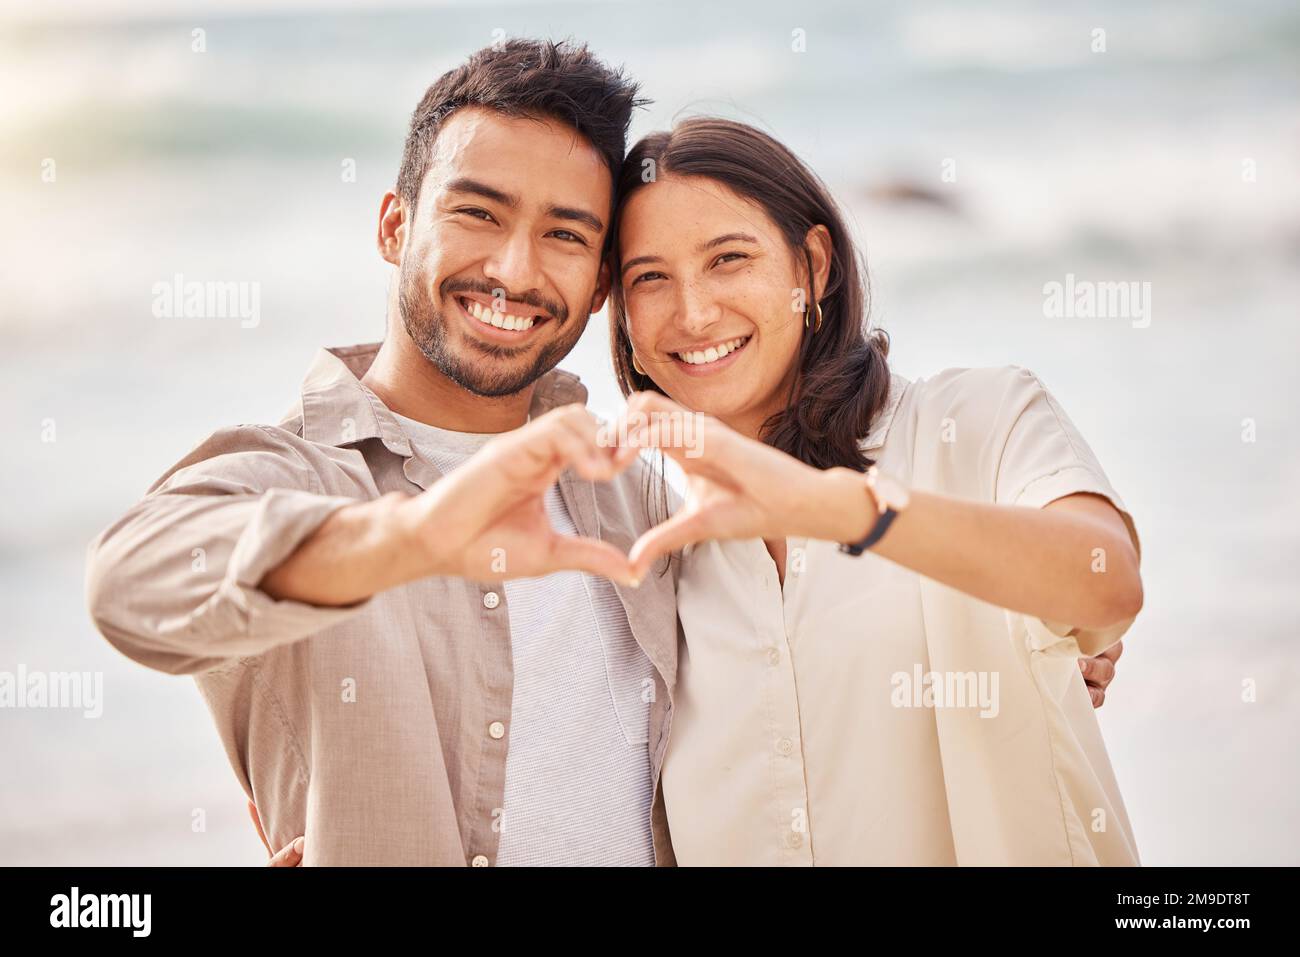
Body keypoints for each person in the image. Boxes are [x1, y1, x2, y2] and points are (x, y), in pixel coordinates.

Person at [85, 40, 681, 867]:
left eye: (565, 235)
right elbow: (126, 584)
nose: (514, 269)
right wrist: (410, 540)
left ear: (602, 280)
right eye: (478, 213)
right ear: (395, 226)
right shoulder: (292, 470)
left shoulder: (635, 497)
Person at [606, 117, 1143, 865]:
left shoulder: (978, 420)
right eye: (649, 278)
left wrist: (835, 507)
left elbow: (1107, 583)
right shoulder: (644, 539)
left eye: (728, 259)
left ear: (813, 267)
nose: (693, 312)